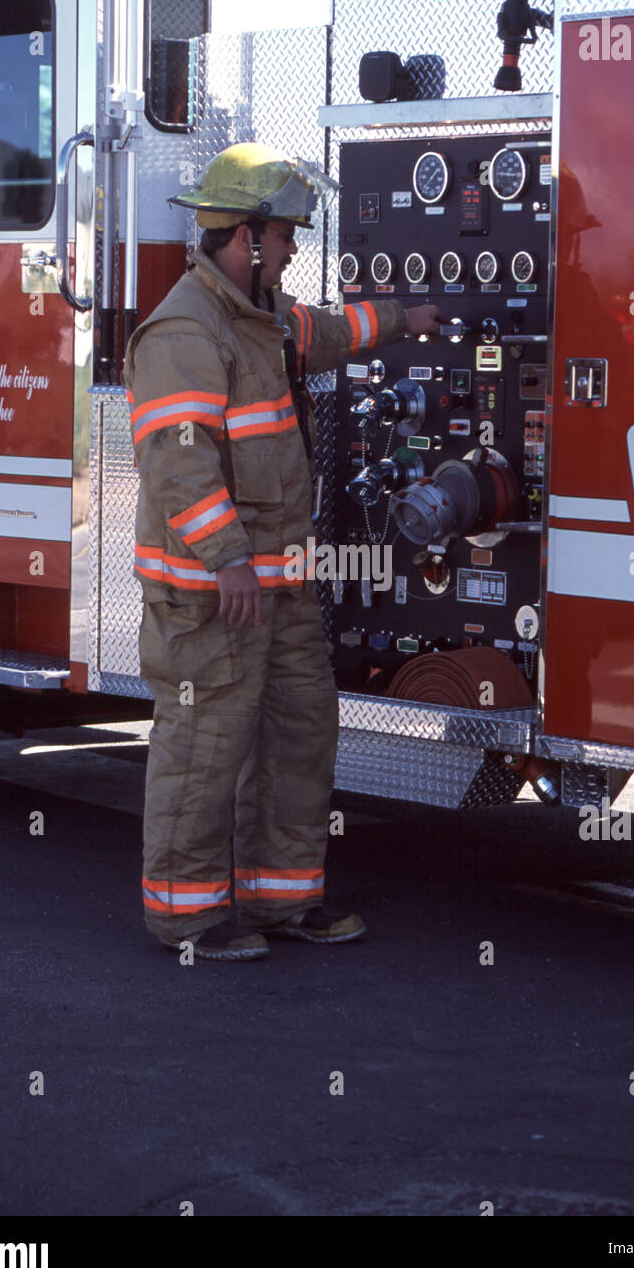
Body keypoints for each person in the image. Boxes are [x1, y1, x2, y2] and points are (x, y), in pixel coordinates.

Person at [123, 142, 445, 961]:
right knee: (203, 751)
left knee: (297, 735)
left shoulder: (261, 321)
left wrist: (404, 321)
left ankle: (279, 901)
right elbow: (178, 459)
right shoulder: (185, 331)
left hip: (280, 590)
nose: (296, 248)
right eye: (287, 234)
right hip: (212, 594)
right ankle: (185, 918)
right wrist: (227, 557)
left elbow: (329, 332)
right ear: (246, 238)